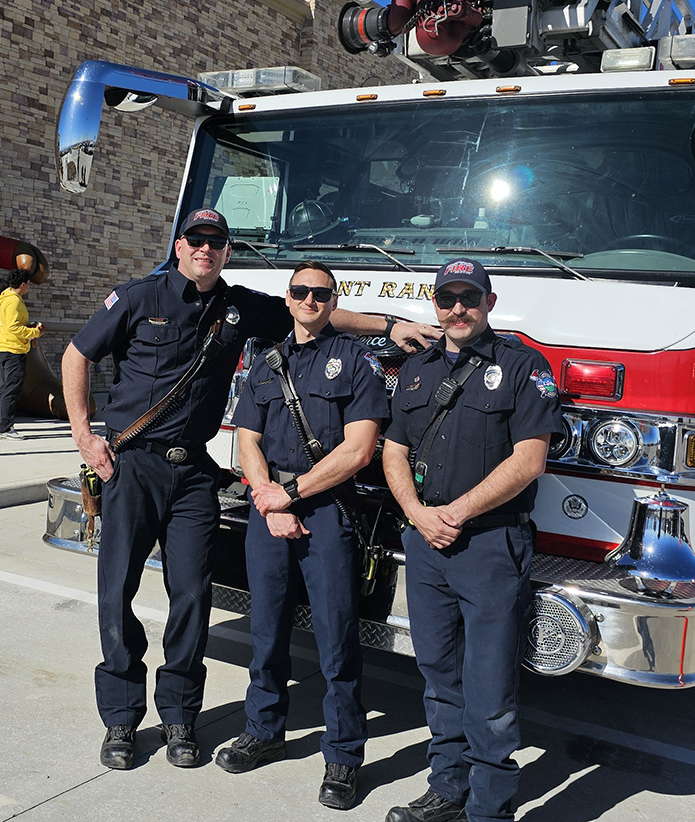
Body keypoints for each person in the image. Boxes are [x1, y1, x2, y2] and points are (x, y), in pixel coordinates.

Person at [61, 207, 439, 772]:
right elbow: (76, 354)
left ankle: (181, 718)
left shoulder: (241, 307)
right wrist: (84, 436)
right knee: (116, 592)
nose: (205, 249)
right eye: (196, 239)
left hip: (193, 473)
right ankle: (121, 719)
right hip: (131, 464)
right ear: (181, 245)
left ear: (227, 251)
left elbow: (321, 319)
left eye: (217, 241)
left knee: (192, 596)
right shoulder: (139, 297)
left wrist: (388, 327)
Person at [379, 259, 564, 822]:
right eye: (446, 299)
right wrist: (415, 512)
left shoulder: (522, 366)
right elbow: (393, 449)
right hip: (426, 543)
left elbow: (530, 459)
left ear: (489, 301)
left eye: (469, 298)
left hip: (488, 545)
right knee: (437, 674)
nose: (456, 309)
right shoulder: (416, 369)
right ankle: (447, 789)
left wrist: (451, 513)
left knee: (489, 688)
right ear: (434, 305)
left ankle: (490, 807)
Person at [216, 260, 389, 810]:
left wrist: (291, 496)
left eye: (321, 293)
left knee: (338, 643)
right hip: (270, 514)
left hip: (328, 515)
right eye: (299, 292)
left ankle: (342, 757)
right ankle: (263, 732)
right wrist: (268, 498)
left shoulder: (357, 363)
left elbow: (359, 450)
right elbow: (247, 437)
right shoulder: (266, 364)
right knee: (265, 633)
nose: (310, 300)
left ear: (333, 302)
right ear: (287, 300)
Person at [0, 268, 42, 440]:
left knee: (2, 388)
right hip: (12, 349)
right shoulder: (13, 301)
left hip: (3, 348)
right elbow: (12, 327)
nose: (29, 288)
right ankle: (3, 427)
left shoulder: (2, 301)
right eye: (28, 285)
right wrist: (34, 332)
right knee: (9, 388)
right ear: (23, 284)